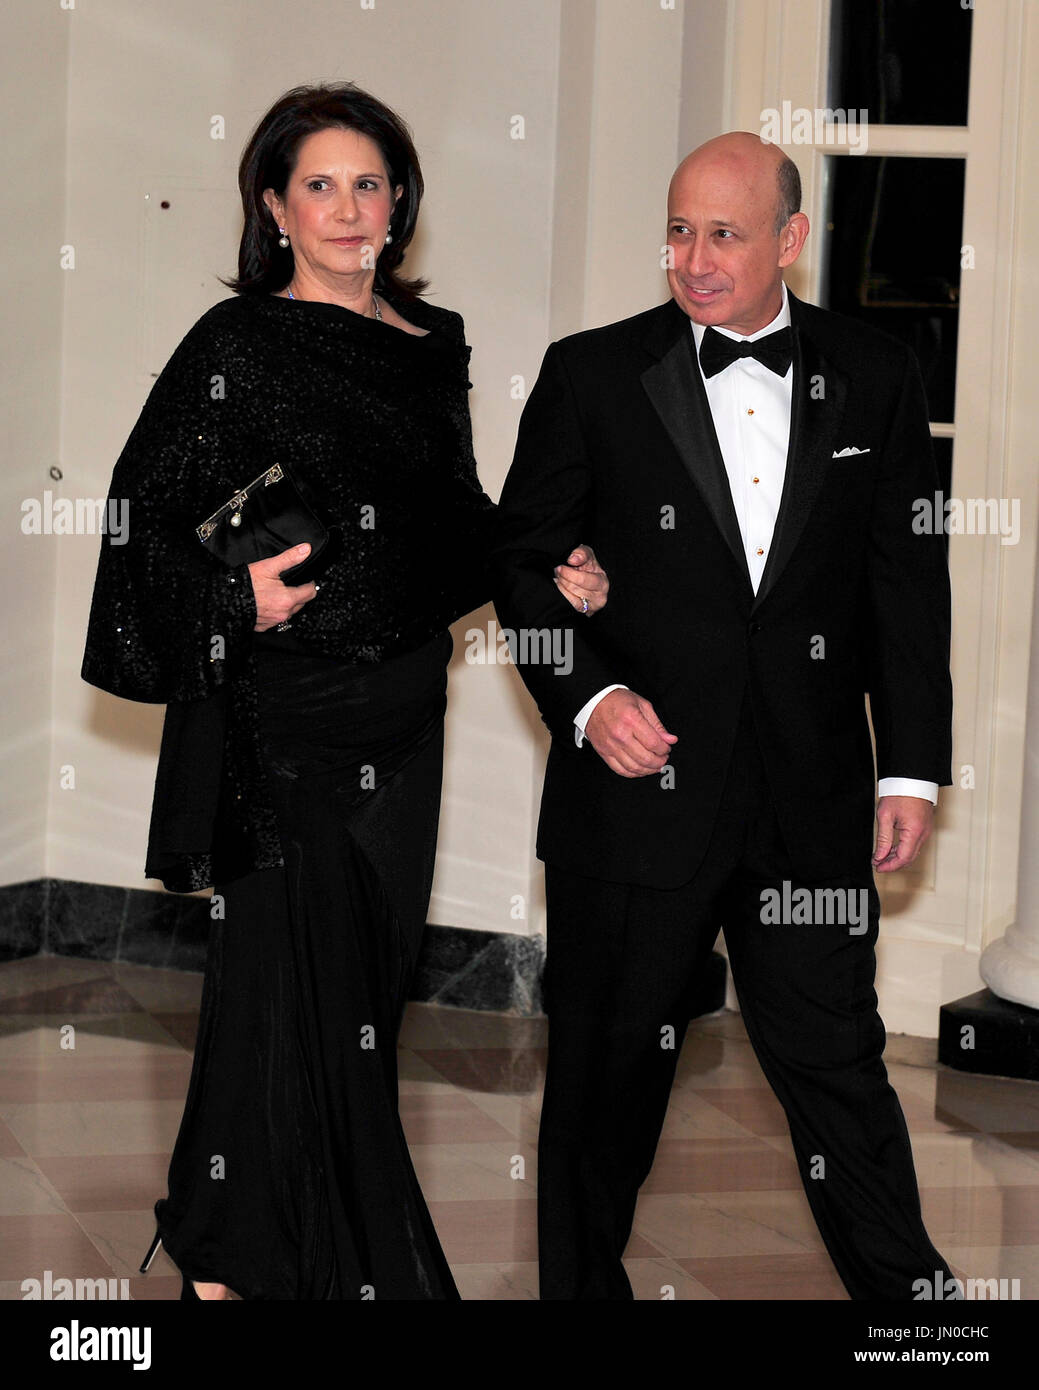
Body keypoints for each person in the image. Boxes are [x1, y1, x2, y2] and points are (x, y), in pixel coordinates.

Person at [80, 82, 609, 1302]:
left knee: (362, 995)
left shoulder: (434, 346)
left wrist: (545, 567)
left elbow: (453, 523)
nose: (347, 207)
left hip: (404, 720)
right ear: (272, 206)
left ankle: (229, 1236)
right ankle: (268, 1262)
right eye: (318, 184)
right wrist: (233, 603)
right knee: (280, 990)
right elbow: (137, 518)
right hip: (284, 721)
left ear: (401, 202)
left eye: (369, 183)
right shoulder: (238, 347)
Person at [492, 131, 954, 1300]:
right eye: (679, 230)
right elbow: (521, 571)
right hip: (634, 803)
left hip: (810, 802)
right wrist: (588, 698)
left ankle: (920, 1317)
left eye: (725, 234)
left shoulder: (878, 373)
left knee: (837, 1066)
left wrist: (909, 772)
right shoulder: (590, 375)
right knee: (604, 1081)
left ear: (790, 239)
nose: (693, 260)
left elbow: (905, 585)